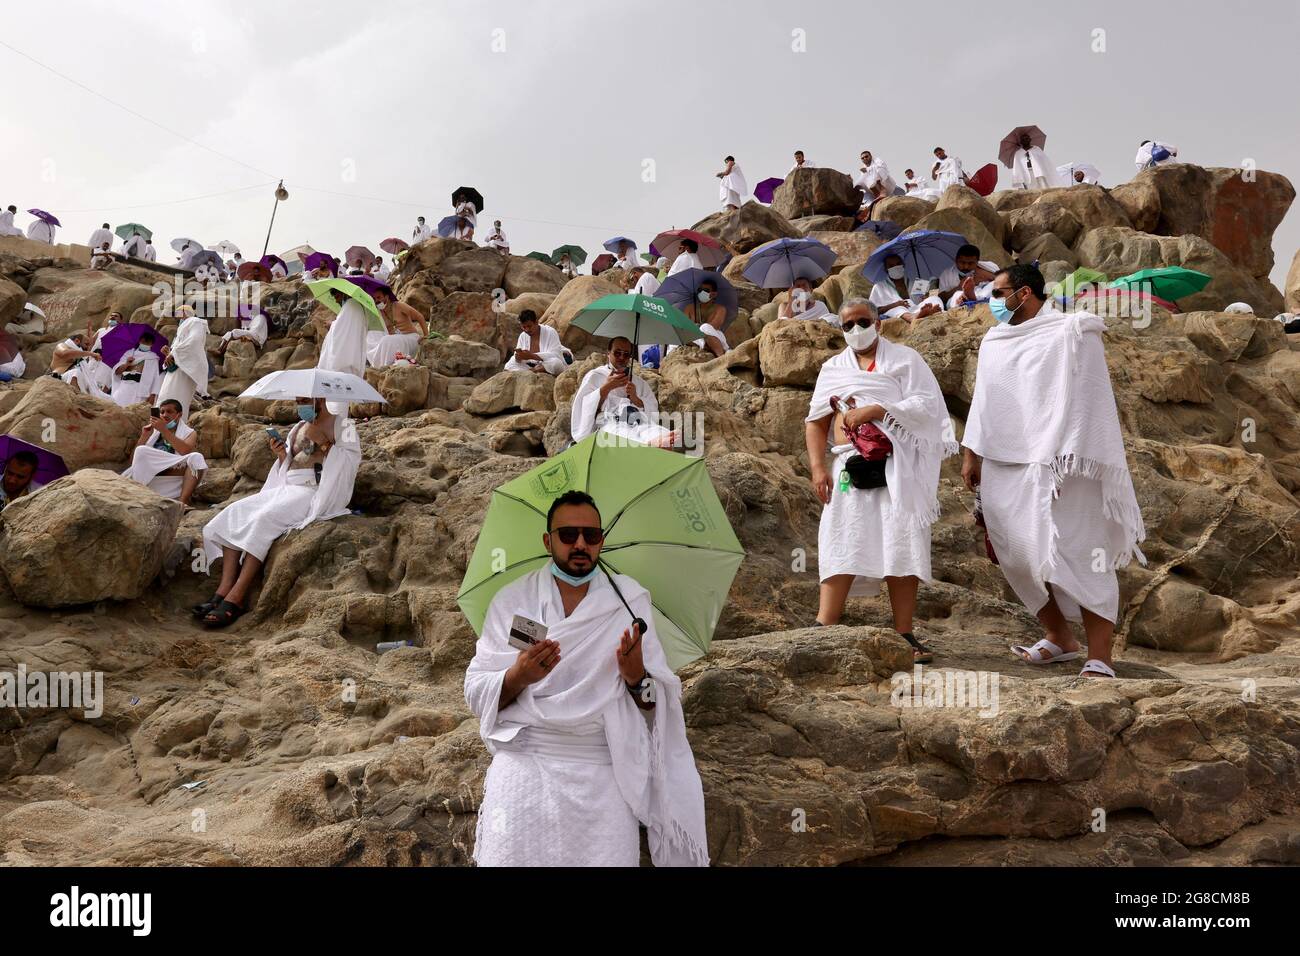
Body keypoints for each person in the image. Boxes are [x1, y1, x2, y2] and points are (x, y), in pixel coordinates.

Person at [464, 489, 708, 867]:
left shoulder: (629, 603)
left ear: (601, 542)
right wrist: (518, 676)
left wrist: (635, 676)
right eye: (568, 535)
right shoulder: (514, 600)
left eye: (591, 536)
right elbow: (477, 688)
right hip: (527, 760)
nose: (580, 544)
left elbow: (655, 706)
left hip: (602, 768)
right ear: (548, 541)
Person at [961, 265, 1146, 679]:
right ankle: (1059, 636)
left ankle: (1101, 656)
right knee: (1017, 553)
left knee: (1081, 553)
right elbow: (984, 400)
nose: (993, 301)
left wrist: (1065, 460)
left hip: (1063, 463)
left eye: (999, 292)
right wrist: (971, 454)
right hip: (1003, 463)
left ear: (1025, 292)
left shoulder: (1072, 332)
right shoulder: (995, 339)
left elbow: (1089, 402)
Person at [805, 298, 956, 661]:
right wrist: (817, 467)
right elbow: (816, 420)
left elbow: (929, 406)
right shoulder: (833, 368)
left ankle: (904, 632)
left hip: (897, 465)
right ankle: (825, 623)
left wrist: (879, 410)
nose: (856, 330)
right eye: (848, 325)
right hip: (848, 465)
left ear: (879, 323)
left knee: (900, 542)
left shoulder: (906, 361)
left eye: (863, 322)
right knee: (841, 536)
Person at [197, 397, 360, 628]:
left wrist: (325, 445)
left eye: (305, 400)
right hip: (285, 486)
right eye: (299, 400)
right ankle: (222, 590)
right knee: (232, 514)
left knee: (264, 520)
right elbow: (292, 461)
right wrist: (281, 455)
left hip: (312, 490)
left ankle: (237, 596)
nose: (300, 404)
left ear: (320, 399)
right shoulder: (298, 427)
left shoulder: (345, 426)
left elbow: (352, 461)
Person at [570, 337, 674, 447]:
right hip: (610, 423)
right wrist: (606, 388)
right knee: (624, 436)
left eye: (626, 354)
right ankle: (647, 445)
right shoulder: (595, 376)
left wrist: (636, 399)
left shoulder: (638, 382)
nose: (621, 357)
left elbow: (653, 410)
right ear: (608, 353)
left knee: (660, 433)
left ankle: (654, 442)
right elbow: (584, 408)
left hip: (638, 421)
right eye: (617, 353)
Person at [123, 398, 206, 505]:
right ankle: (140, 493)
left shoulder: (190, 433)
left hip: (174, 471)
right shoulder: (153, 433)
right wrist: (144, 436)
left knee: (196, 457)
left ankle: (183, 503)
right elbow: (133, 463)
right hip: (152, 475)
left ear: (179, 415)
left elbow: (184, 451)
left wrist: (164, 430)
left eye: (169, 411)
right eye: (162, 412)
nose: (165, 415)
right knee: (141, 450)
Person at [157, 308, 210, 420]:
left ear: (185, 312)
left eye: (178, 312)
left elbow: (194, 341)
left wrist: (173, 353)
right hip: (177, 369)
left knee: (177, 400)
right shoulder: (182, 328)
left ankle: (177, 432)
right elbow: (177, 352)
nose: (176, 316)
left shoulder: (195, 321)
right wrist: (168, 353)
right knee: (165, 397)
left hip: (187, 368)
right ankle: (159, 431)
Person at [869, 253, 945, 322]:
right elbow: (874, 311)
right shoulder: (879, 287)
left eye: (898, 264)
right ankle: (913, 318)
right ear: (886, 269)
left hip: (919, 310)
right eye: (891, 266)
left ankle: (932, 312)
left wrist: (926, 297)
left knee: (935, 298)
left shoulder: (915, 282)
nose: (896, 267)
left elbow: (933, 290)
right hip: (900, 313)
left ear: (903, 265)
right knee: (898, 309)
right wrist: (895, 304)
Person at [367, 286, 428, 367]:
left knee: (387, 340)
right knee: (370, 340)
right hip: (394, 342)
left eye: (379, 297)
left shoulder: (399, 306)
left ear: (387, 297)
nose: (377, 301)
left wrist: (427, 336)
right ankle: (382, 366)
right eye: (374, 299)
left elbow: (419, 316)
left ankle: (385, 365)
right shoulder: (379, 314)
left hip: (411, 338)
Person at [672, 278, 728, 358]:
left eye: (705, 290)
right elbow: (683, 326)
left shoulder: (720, 309)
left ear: (714, 294)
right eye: (700, 290)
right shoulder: (690, 307)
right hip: (694, 337)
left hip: (713, 335)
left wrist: (697, 326)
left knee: (705, 327)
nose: (702, 292)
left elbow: (714, 326)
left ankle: (721, 355)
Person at [505, 309, 570, 375]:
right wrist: (518, 357)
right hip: (528, 366)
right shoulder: (523, 335)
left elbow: (556, 354)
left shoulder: (550, 332)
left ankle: (530, 372)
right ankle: (530, 372)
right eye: (524, 327)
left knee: (556, 363)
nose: (527, 330)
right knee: (510, 363)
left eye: (529, 326)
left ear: (536, 322)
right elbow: (518, 358)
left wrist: (532, 356)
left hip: (545, 365)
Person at [49, 333, 112, 399]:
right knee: (75, 373)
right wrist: (91, 354)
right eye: (86, 344)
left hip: (70, 383)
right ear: (77, 341)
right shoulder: (62, 345)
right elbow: (64, 353)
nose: (87, 348)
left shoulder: (80, 357)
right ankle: (77, 400)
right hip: (57, 379)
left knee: (109, 398)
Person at [938, 244, 1001, 308]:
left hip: (983, 294)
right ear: (956, 260)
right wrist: (959, 287)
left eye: (970, 263)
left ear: (977, 261)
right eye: (962, 262)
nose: (966, 266)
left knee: (994, 284)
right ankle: (967, 298)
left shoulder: (989, 267)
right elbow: (941, 298)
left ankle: (973, 298)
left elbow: (1004, 281)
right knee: (958, 295)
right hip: (957, 298)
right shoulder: (947, 274)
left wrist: (990, 276)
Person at [110, 330, 162, 407]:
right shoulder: (129, 353)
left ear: (152, 344)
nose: (145, 344)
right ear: (140, 341)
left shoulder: (153, 358)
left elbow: (155, 378)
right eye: (144, 341)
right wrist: (127, 364)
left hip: (141, 392)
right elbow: (117, 372)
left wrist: (153, 395)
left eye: (148, 342)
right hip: (125, 388)